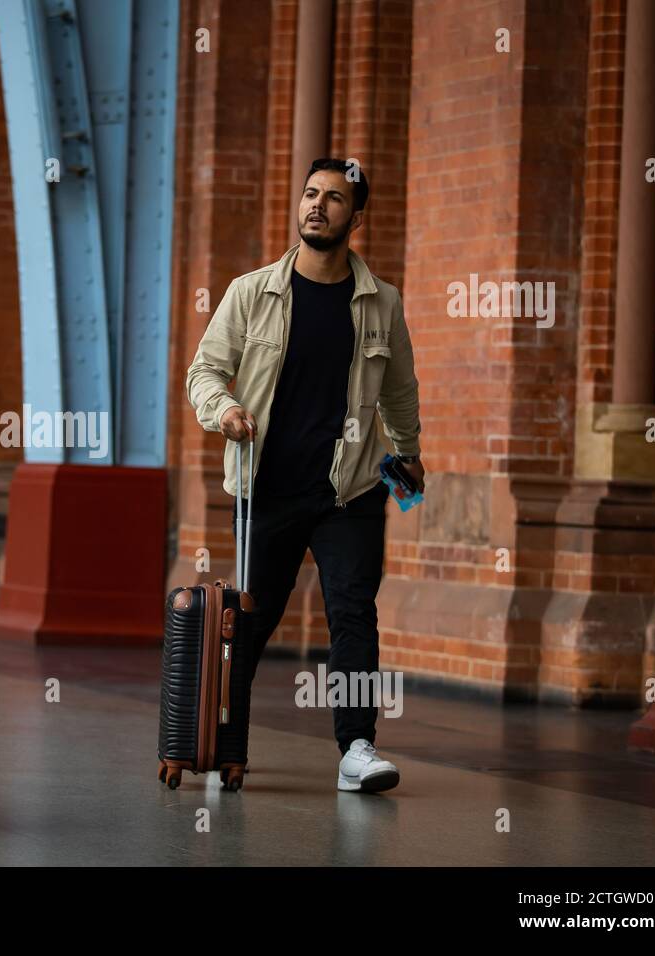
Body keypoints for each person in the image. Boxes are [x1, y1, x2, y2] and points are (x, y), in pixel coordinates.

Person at [185, 157, 424, 793]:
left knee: (353, 613)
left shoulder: (382, 304)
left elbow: (399, 391)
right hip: (268, 486)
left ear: (356, 218)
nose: (317, 205)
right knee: (253, 617)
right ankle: (222, 740)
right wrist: (226, 409)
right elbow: (203, 372)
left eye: (334, 199)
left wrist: (409, 452)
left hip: (351, 491)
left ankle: (357, 748)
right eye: (310, 194)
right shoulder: (251, 291)